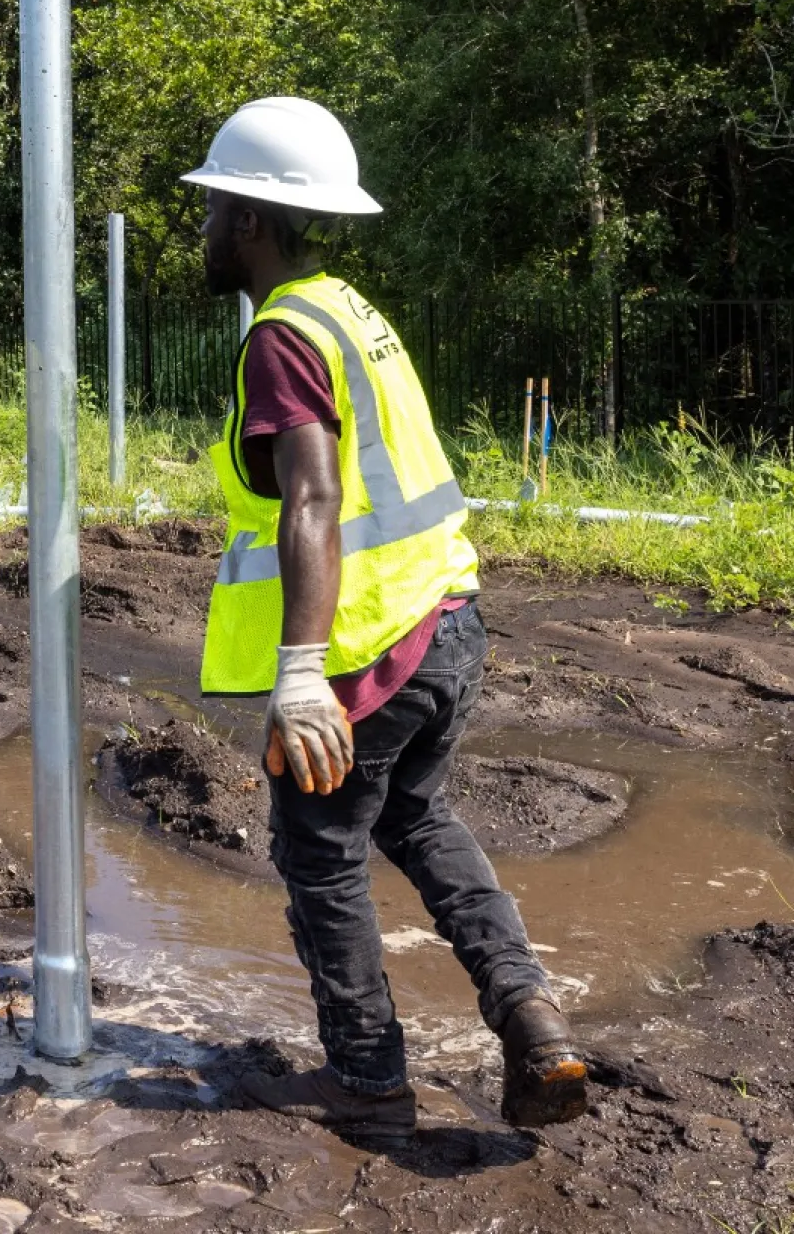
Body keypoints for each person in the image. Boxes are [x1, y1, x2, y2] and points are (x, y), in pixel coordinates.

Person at [188, 96, 589, 1136]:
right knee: (416, 816)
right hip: (444, 618)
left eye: (211, 207)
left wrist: (299, 671)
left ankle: (366, 1081)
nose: (201, 228)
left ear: (249, 219)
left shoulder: (281, 336)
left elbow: (314, 500)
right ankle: (532, 1019)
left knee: (319, 855)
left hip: (367, 648)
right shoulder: (347, 309)